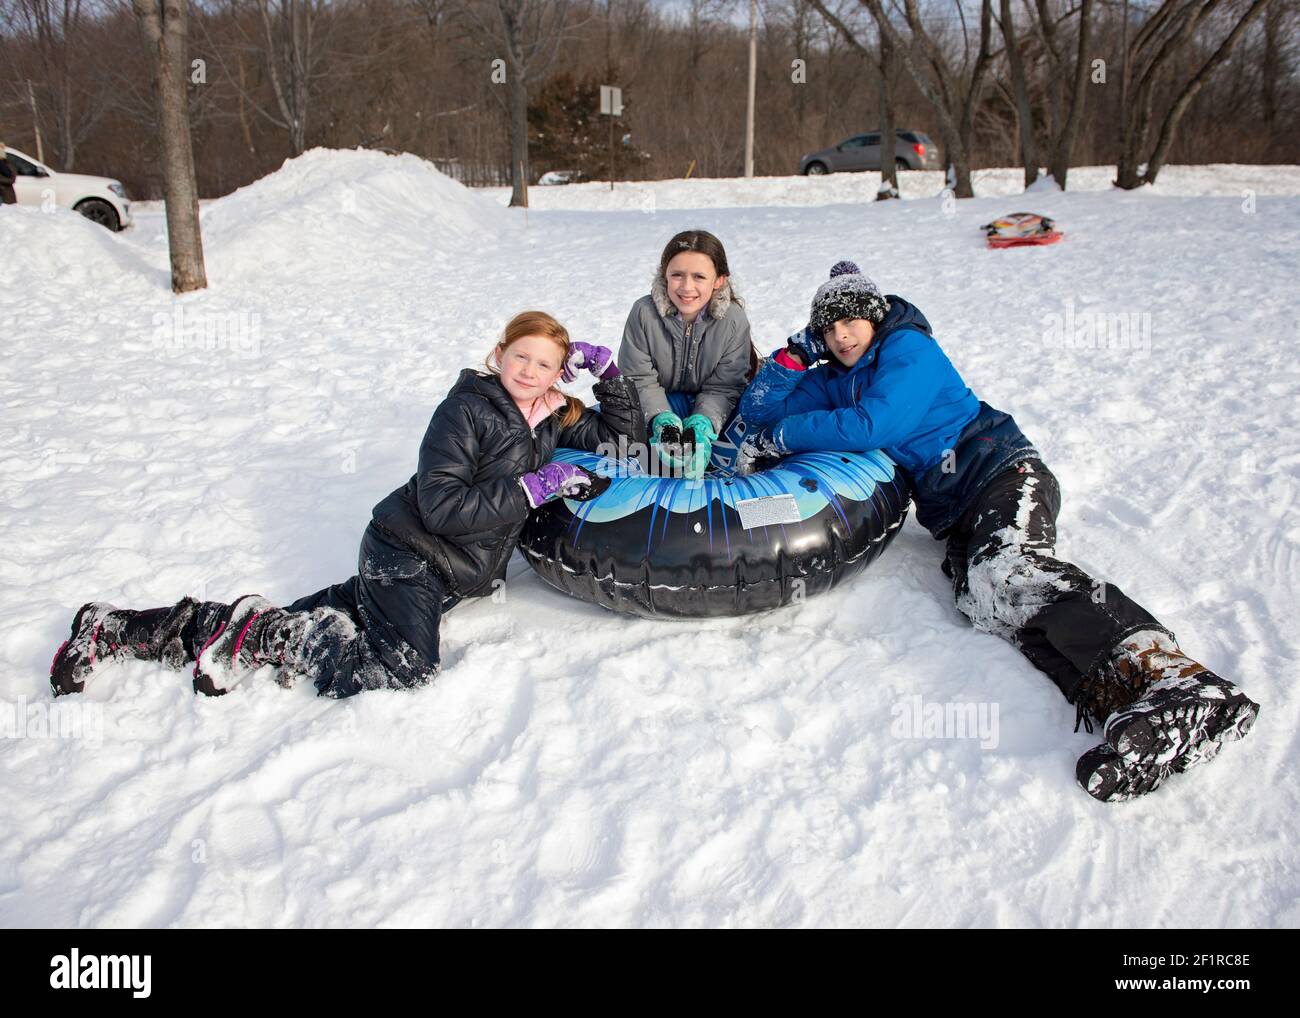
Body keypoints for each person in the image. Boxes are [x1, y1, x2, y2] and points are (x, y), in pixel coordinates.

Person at [734, 261, 1259, 803]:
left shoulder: (907, 349)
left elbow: (875, 425)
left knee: (1010, 570)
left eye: (851, 321)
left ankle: (1176, 679)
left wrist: (784, 435)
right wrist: (791, 360)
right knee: (986, 600)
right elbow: (755, 411)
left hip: (1001, 470)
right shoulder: (834, 377)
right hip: (958, 507)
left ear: (875, 316)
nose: (841, 335)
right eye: (828, 327)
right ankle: (1133, 711)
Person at [50, 312, 644, 700]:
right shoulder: (466, 410)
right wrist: (533, 489)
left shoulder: (552, 416)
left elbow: (622, 441)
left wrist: (610, 374)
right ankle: (264, 640)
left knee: (288, 615)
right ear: (499, 354)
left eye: (545, 363)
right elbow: (440, 507)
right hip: (409, 552)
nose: (530, 371)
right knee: (403, 670)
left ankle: (119, 630)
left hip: (449, 574)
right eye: (521, 357)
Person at [617, 229, 755, 477]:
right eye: (677, 275)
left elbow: (725, 386)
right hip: (659, 404)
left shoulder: (733, 320)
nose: (687, 286)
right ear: (664, 276)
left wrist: (703, 424)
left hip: (712, 410)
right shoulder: (644, 313)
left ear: (719, 280)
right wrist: (662, 421)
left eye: (699, 276)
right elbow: (638, 378)